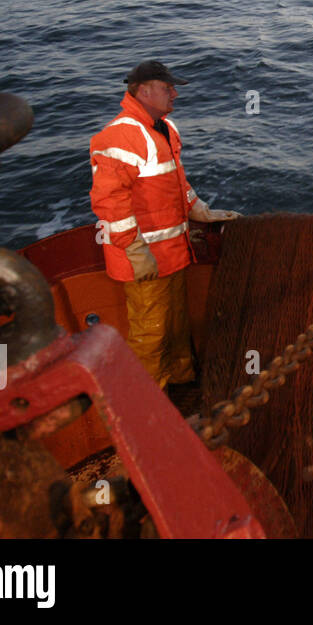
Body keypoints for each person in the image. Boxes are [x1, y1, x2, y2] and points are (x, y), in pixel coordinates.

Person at [89, 60, 241, 389]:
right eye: (167, 88)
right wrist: (134, 249)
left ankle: (183, 387)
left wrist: (197, 208)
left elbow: (173, 180)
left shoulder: (165, 129)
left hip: (172, 253)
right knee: (151, 335)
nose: (174, 94)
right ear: (143, 91)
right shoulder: (122, 136)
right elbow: (109, 201)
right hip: (145, 260)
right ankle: (149, 413)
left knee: (175, 326)